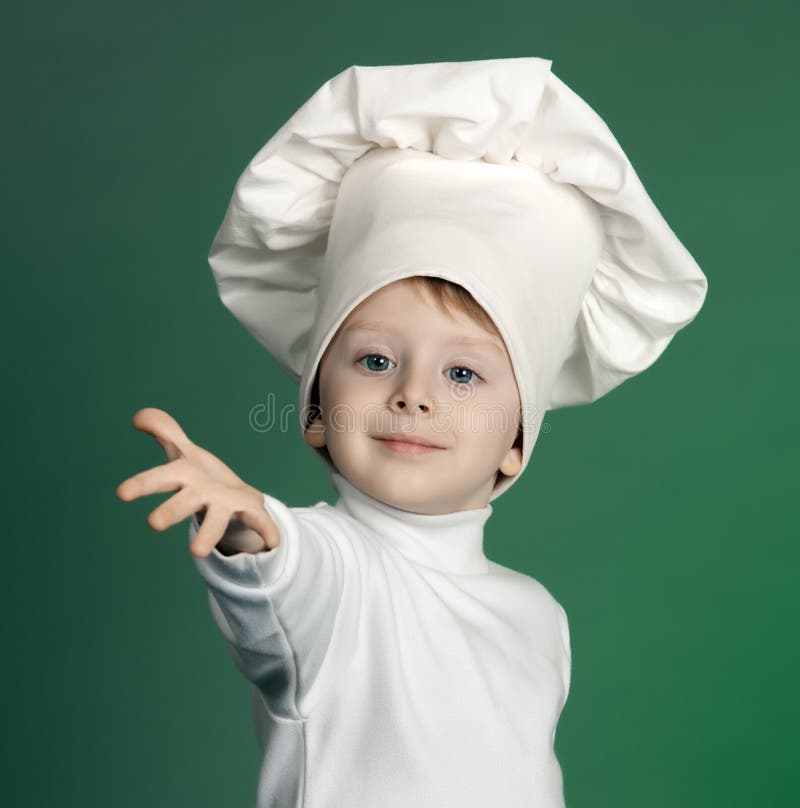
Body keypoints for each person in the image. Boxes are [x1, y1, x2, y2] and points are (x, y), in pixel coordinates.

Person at [118, 57, 707, 807]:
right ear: (317, 411)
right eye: (374, 359)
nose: (413, 396)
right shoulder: (334, 575)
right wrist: (246, 529)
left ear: (518, 438)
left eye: (463, 374)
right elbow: (283, 572)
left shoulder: (540, 619)